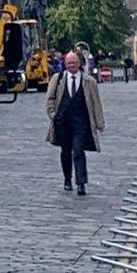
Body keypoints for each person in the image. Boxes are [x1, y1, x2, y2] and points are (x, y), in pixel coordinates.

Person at [45, 51, 106, 196]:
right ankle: (67, 178)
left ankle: (81, 183)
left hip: (81, 122)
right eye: (69, 63)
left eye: (74, 63)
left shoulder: (89, 81)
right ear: (65, 64)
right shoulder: (57, 78)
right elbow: (50, 99)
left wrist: (99, 122)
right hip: (63, 122)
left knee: (78, 150)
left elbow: (95, 102)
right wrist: (53, 115)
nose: (72, 65)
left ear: (79, 63)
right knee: (65, 152)